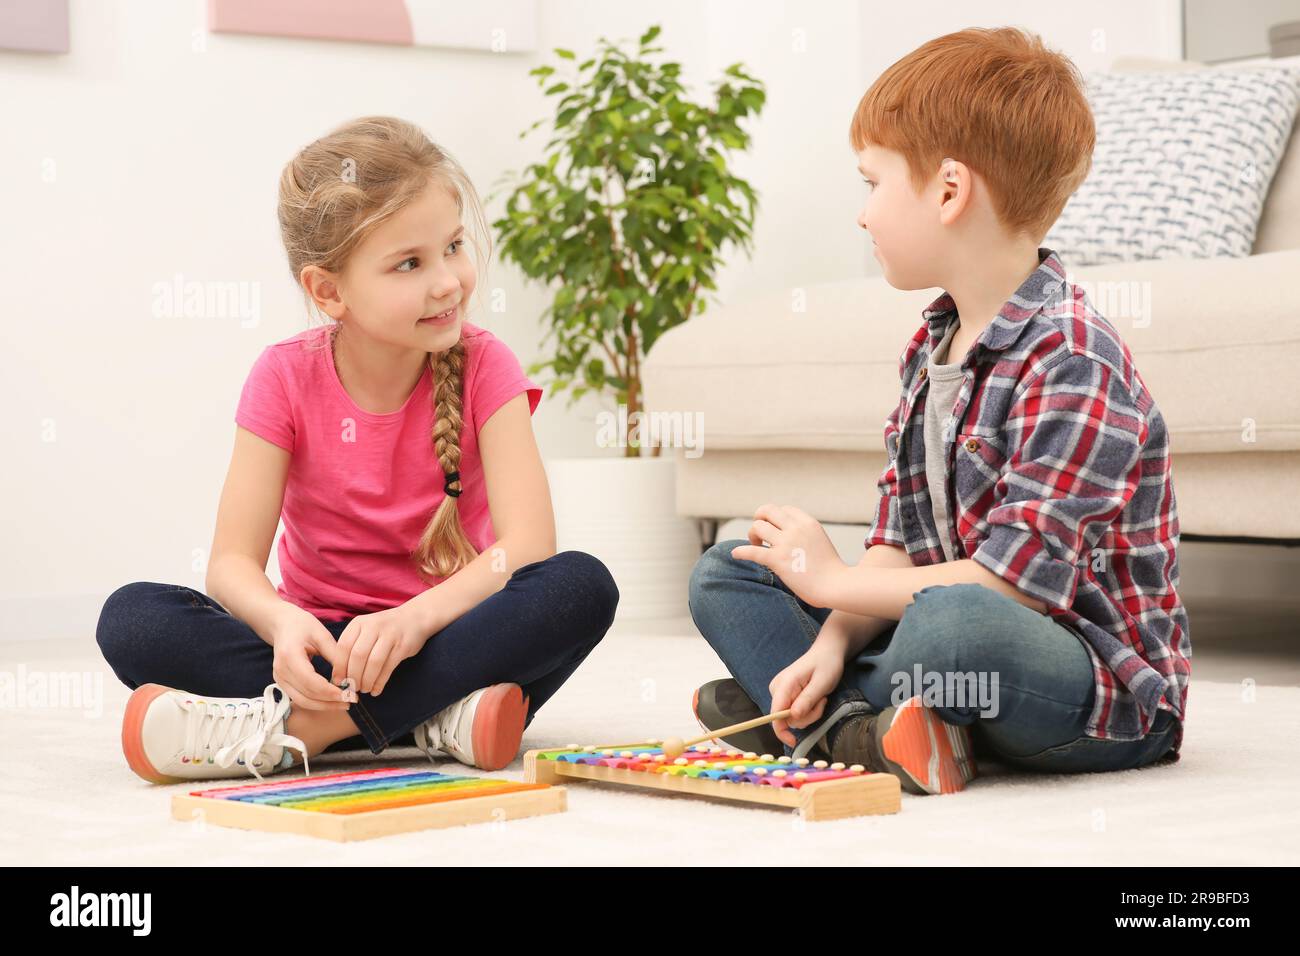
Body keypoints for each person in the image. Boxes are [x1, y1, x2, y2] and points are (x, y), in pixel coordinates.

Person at [689, 28, 1190, 796]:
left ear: (950, 191)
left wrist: (829, 583)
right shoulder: (933, 348)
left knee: (953, 628)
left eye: (872, 184)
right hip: (952, 627)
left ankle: (822, 718)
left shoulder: (1076, 360)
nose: (862, 215)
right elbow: (898, 548)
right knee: (728, 569)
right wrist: (829, 636)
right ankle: (855, 718)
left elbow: (1011, 588)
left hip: (1084, 687)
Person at [97, 116, 619, 784]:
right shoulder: (283, 377)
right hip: (320, 644)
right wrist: (284, 624)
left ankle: (297, 730)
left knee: (579, 587)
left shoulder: (488, 366)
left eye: (453, 246)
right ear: (328, 290)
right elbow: (231, 564)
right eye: (409, 263)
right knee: (133, 619)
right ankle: (431, 717)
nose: (448, 282)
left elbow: (527, 547)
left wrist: (414, 620)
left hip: (444, 633)